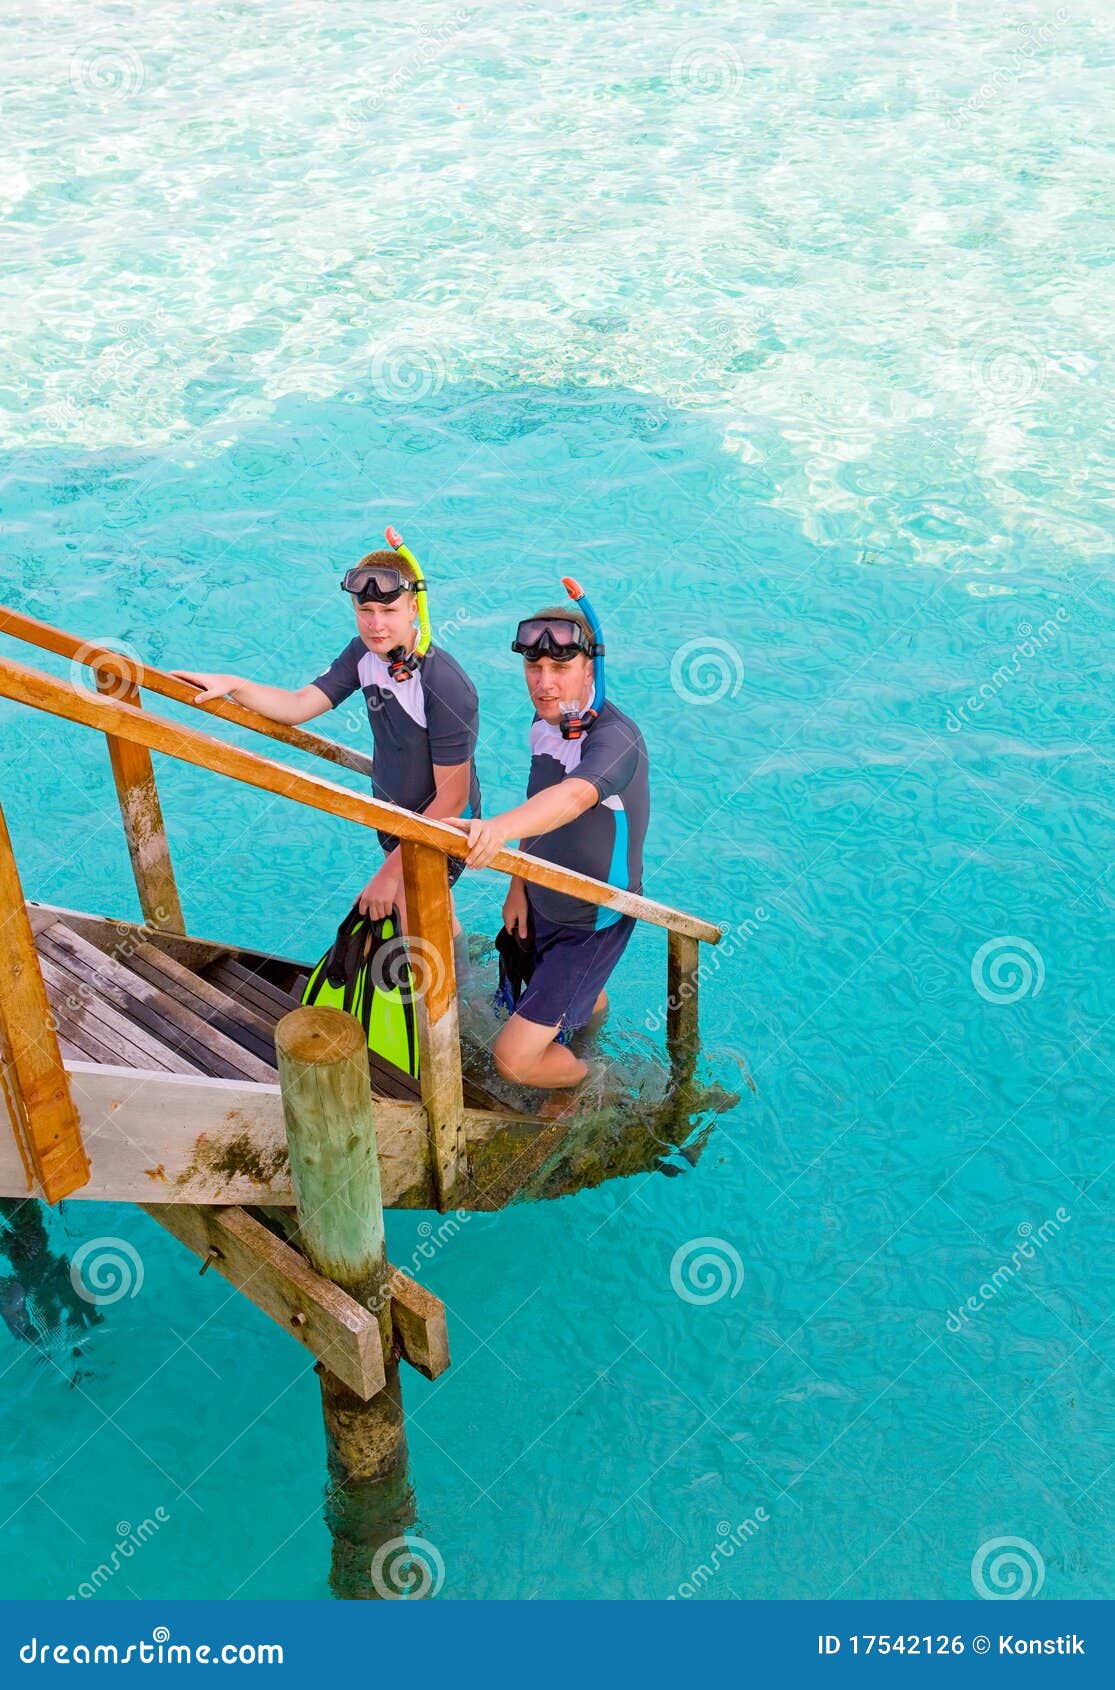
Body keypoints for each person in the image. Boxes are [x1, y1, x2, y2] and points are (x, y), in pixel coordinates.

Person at [173, 537, 480, 927]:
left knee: (413, 910)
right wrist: (234, 684)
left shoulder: (446, 685)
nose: (376, 624)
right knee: (427, 912)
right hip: (394, 814)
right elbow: (298, 706)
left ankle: (452, 987)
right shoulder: (362, 654)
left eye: (388, 610)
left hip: (441, 825)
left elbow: (452, 799)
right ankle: (466, 975)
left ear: (414, 609)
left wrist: (387, 875)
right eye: (364, 610)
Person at [450, 597, 648, 1090]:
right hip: (541, 900)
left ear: (591, 669)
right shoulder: (545, 724)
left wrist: (495, 830)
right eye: (533, 665)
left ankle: (594, 1081)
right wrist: (518, 881)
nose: (544, 681)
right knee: (581, 997)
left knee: (513, 1060)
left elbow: (571, 798)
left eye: (561, 665)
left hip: (592, 921)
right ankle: (581, 1041)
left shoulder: (616, 740)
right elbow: (538, 801)